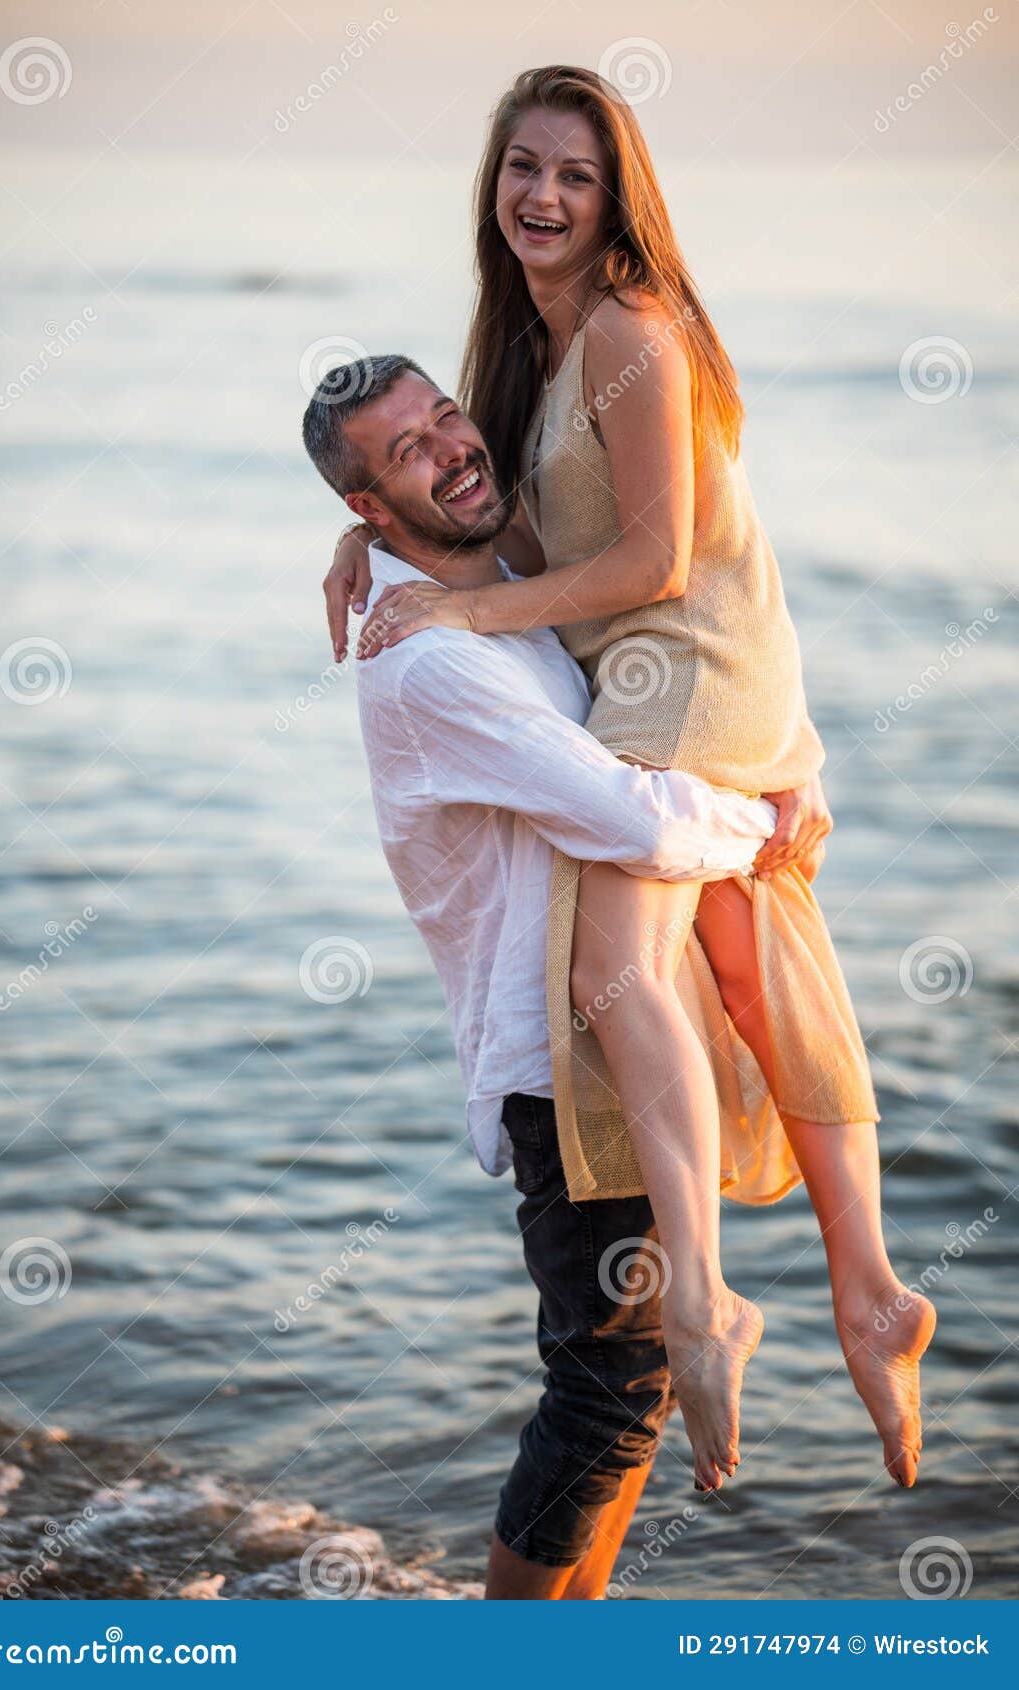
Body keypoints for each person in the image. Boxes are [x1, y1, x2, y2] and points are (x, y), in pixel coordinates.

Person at [327, 66, 935, 1494]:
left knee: (617, 959)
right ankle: (866, 1292)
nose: (541, 196)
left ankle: (709, 1296)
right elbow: (511, 526)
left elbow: (654, 562)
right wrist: (371, 544)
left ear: (616, 200)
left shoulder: (633, 331)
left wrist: (463, 613)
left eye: (575, 176)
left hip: (690, 660)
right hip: (656, 670)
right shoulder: (533, 348)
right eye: (521, 168)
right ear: (494, 185)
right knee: (741, 944)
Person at [302, 353, 798, 1597]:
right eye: (406, 452)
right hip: (553, 1065)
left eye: (443, 418)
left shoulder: (508, 578)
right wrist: (772, 810)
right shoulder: (427, 664)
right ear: (369, 506)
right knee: (601, 1391)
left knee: (618, 1391)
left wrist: (360, 533)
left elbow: (650, 576)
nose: (451, 449)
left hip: (619, 1031)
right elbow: (629, 818)